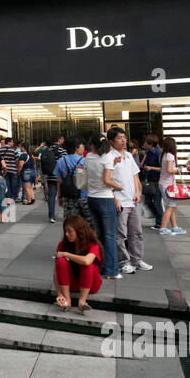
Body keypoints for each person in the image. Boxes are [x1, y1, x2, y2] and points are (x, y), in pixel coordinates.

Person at [109, 128, 152, 274]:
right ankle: (124, 262)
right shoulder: (109, 157)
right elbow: (106, 182)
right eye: (119, 138)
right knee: (121, 235)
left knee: (137, 232)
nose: (123, 140)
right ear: (111, 141)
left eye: (124, 137)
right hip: (120, 201)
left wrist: (137, 192)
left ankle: (137, 260)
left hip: (132, 200)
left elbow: (135, 175)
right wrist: (115, 199)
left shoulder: (128, 155)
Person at [84, 136, 122, 279]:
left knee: (99, 235)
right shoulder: (107, 157)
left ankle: (99, 266)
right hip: (105, 199)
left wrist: (113, 163)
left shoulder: (88, 157)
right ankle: (111, 271)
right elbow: (106, 180)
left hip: (91, 198)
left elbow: (91, 170)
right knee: (110, 236)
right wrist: (119, 187)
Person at [53, 214, 102, 313]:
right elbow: (56, 271)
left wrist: (66, 254)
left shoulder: (92, 244)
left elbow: (87, 261)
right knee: (61, 261)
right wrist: (60, 294)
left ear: (79, 231)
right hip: (71, 285)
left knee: (86, 264)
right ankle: (67, 300)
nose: (66, 234)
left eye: (70, 231)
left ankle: (82, 301)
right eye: (65, 231)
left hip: (91, 286)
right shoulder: (62, 245)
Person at [159, 136, 185, 235]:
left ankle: (175, 226)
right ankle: (163, 228)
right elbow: (170, 170)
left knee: (172, 206)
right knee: (170, 206)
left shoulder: (164, 155)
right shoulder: (170, 155)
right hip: (168, 185)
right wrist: (178, 170)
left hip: (163, 183)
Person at [139, 135, 164, 231]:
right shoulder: (148, 153)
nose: (144, 144)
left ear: (150, 144)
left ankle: (160, 223)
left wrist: (151, 168)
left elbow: (163, 169)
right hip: (149, 180)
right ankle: (159, 216)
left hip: (157, 181)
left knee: (157, 202)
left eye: (145, 142)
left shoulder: (158, 153)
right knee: (147, 201)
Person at [0, 138, 20, 203]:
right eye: (12, 142)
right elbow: (17, 160)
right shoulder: (13, 150)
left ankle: (8, 198)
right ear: (9, 142)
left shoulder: (0, 150)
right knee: (14, 184)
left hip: (4, 170)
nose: (13, 144)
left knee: (6, 184)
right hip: (13, 170)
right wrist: (17, 168)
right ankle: (13, 197)